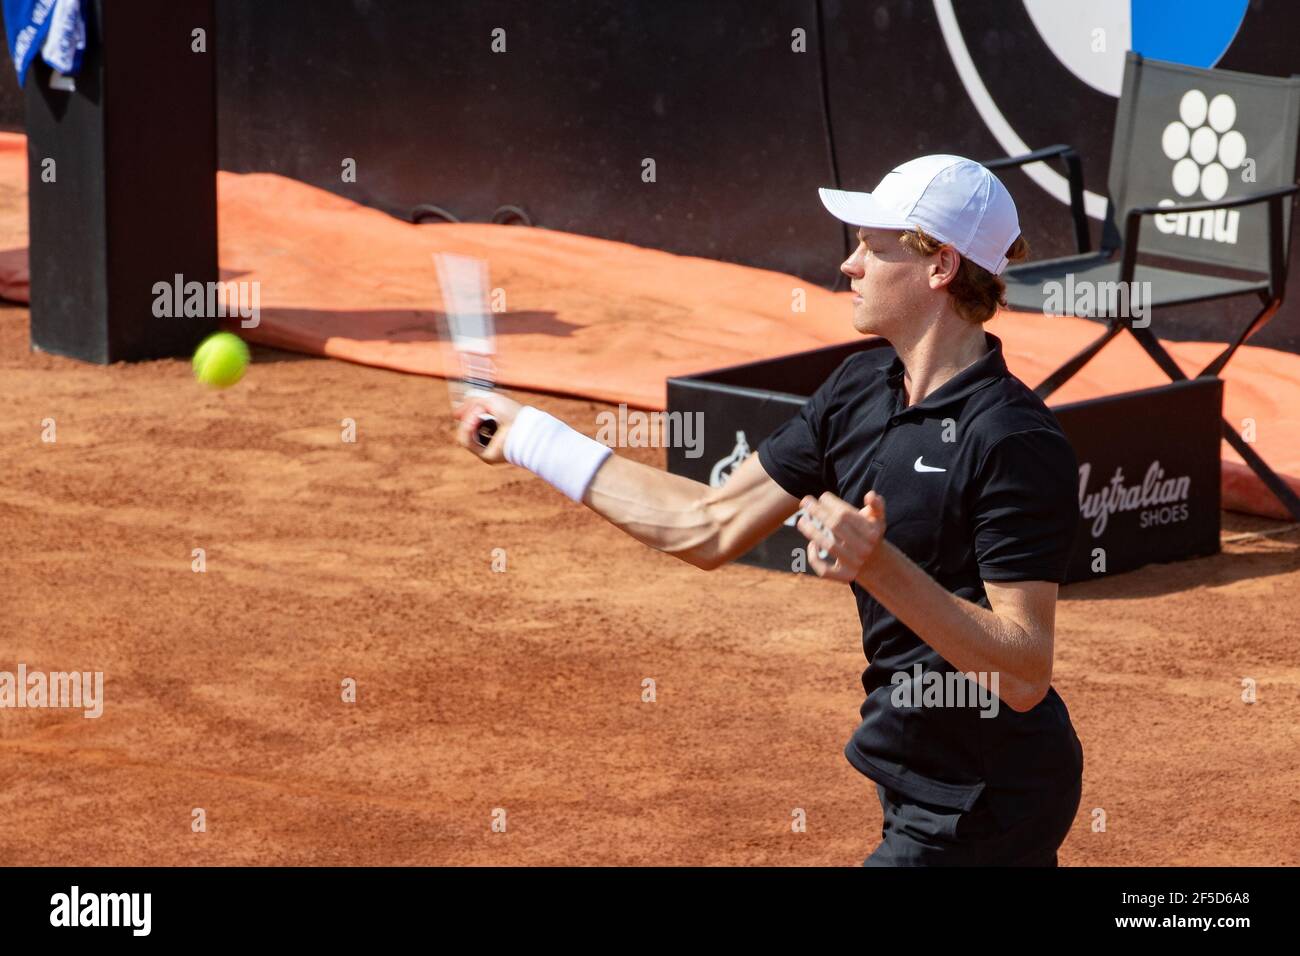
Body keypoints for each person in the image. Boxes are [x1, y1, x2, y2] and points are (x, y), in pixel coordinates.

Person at [454, 154, 1084, 866]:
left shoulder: (1010, 437)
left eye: (871, 249)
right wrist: (533, 438)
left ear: (940, 266)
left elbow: (1025, 672)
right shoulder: (859, 388)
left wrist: (877, 566)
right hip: (914, 770)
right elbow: (710, 524)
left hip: (989, 794)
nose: (850, 266)